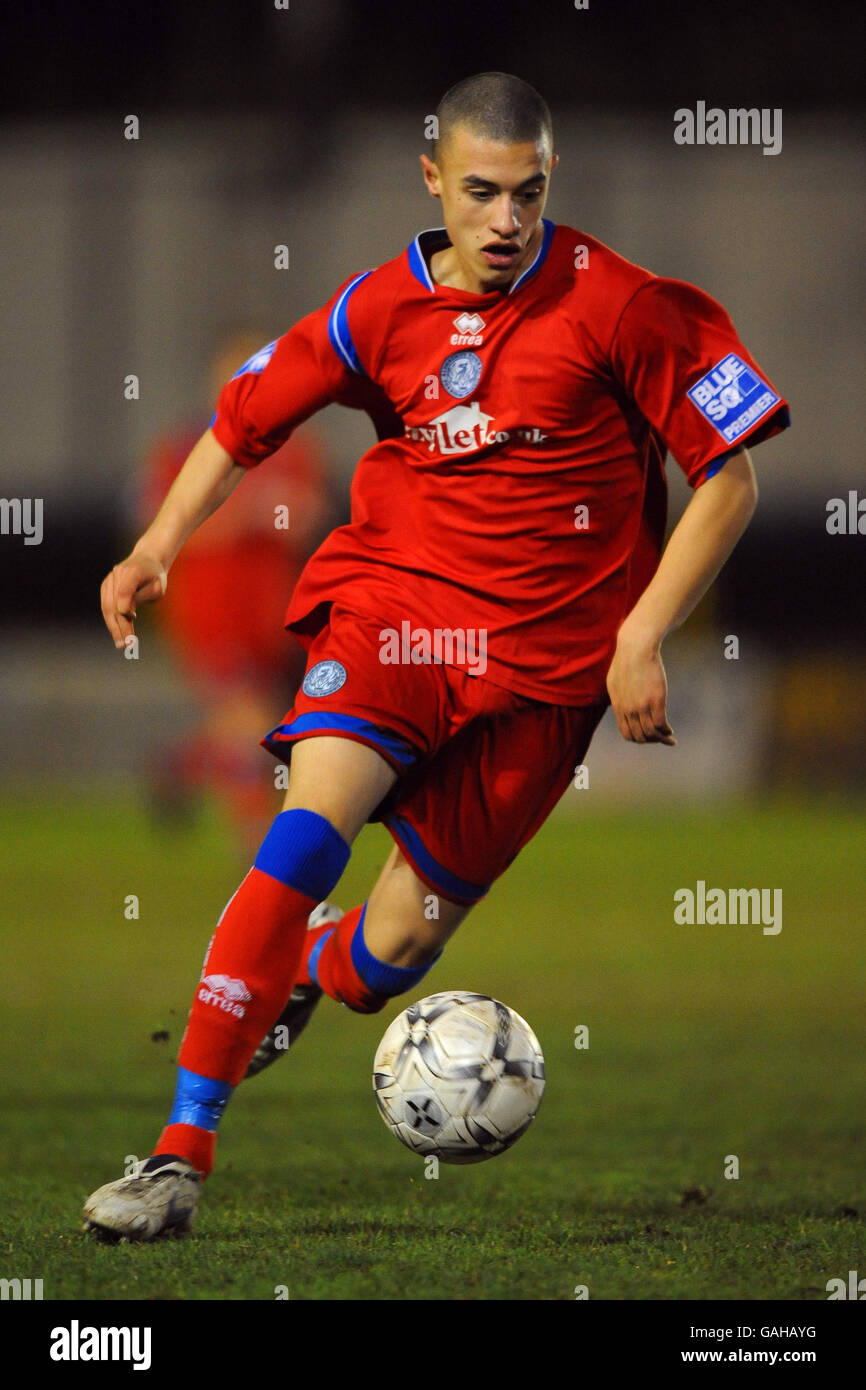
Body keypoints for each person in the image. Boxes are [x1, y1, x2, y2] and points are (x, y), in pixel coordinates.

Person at [84, 71, 789, 1241]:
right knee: (303, 836)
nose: (507, 220)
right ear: (432, 182)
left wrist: (639, 631)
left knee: (393, 953)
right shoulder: (374, 310)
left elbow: (732, 475)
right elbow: (240, 420)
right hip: (394, 619)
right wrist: (157, 546)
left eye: (527, 193)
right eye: (480, 192)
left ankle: (305, 971)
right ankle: (176, 1156)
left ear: (547, 180)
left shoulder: (621, 305)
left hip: (545, 680)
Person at [135, 332, 336, 856]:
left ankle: (182, 765)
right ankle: (259, 846)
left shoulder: (292, 449)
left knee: (256, 719)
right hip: (212, 609)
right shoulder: (184, 451)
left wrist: (259, 513)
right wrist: (251, 514)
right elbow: (164, 527)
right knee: (250, 722)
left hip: (271, 609)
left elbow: (308, 514)